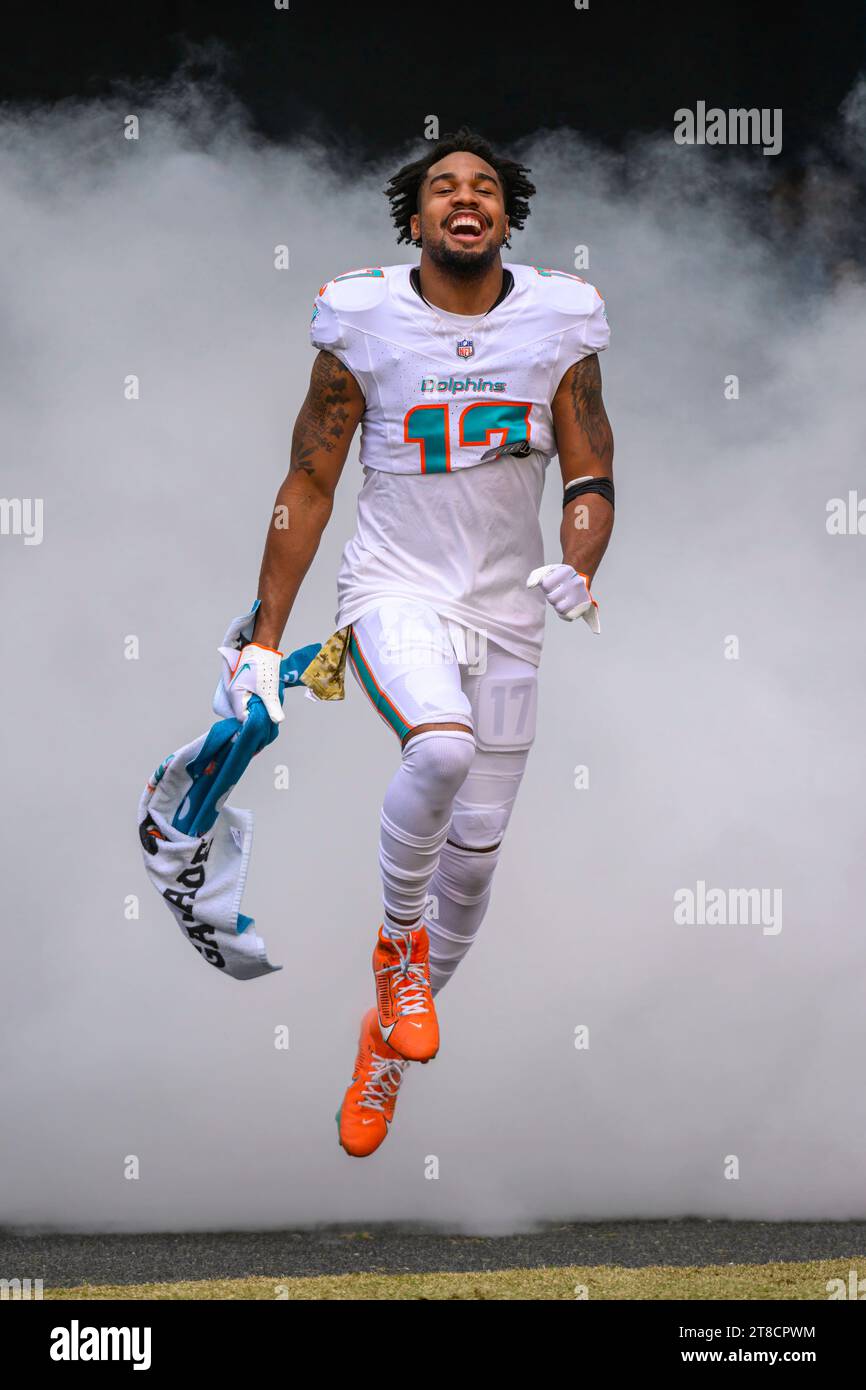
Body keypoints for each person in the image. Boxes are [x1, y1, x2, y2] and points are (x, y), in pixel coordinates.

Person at [225, 128, 615, 1157]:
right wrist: (264, 639)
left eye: (484, 187)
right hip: (395, 590)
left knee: (474, 867)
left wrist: (581, 561)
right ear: (414, 219)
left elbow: (589, 469)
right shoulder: (363, 317)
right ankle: (396, 946)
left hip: (508, 611)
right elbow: (310, 480)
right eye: (443, 187)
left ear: (506, 217)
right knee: (438, 748)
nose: (464, 197)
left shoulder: (558, 316)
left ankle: (383, 1049)